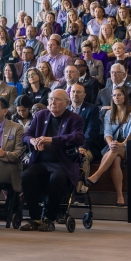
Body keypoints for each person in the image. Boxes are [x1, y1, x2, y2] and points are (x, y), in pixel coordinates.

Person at [20, 90, 84, 232]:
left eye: (57, 99)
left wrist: (52, 140)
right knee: (27, 175)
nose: (52, 102)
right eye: (50, 99)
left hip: (63, 163)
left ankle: (49, 218)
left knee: (57, 178)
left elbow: (79, 138)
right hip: (41, 162)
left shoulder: (74, 119)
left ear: (67, 103)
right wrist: (32, 140)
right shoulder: (40, 115)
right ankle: (35, 218)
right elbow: (26, 135)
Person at [86, 86, 131, 205]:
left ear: (125, 97)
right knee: (115, 160)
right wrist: (111, 143)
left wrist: (122, 144)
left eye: (119, 94)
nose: (116, 97)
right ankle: (120, 196)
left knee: (116, 150)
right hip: (113, 147)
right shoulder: (109, 113)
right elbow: (107, 133)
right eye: (114, 95)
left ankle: (97, 175)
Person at [68, 83, 102, 169]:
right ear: (70, 93)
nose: (75, 94)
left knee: (81, 158)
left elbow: (91, 131)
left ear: (84, 95)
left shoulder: (92, 109)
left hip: (88, 146)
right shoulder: (65, 110)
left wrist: (82, 146)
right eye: (73, 91)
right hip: (68, 147)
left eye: (78, 92)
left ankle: (81, 178)